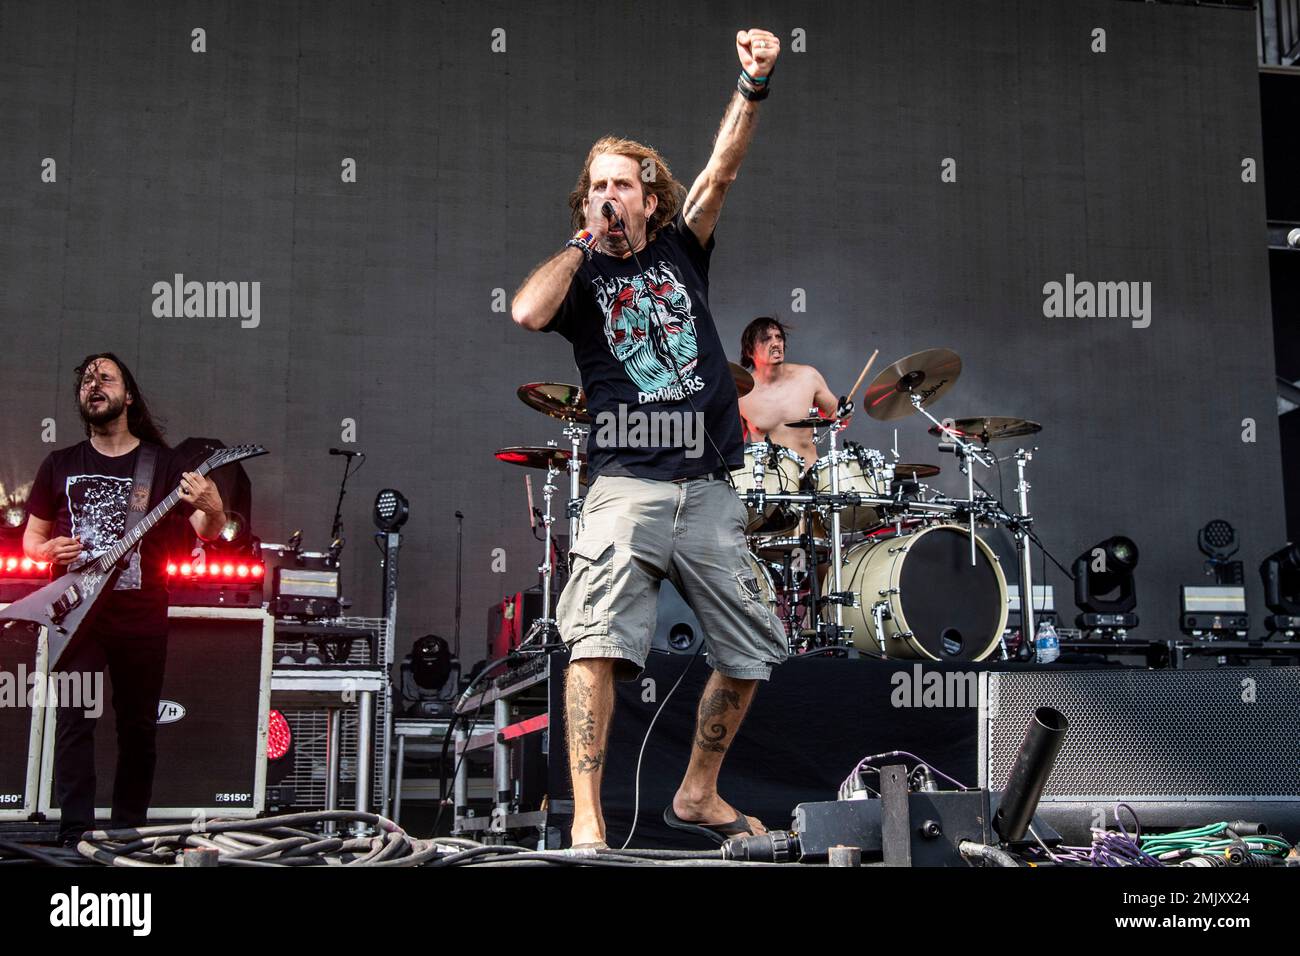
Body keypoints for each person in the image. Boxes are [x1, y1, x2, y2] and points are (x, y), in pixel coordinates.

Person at [511, 29, 785, 848]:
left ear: (649, 197)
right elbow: (525, 311)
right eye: (596, 185)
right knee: (594, 641)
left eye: (621, 185)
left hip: (705, 485)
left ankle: (698, 793)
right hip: (625, 483)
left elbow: (722, 166)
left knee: (752, 650)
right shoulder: (581, 273)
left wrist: (752, 79)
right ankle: (589, 826)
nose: (607, 194)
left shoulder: (680, 246)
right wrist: (580, 241)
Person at [23, 353, 228, 846]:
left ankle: (127, 832)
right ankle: (75, 833)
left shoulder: (163, 464)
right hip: (76, 613)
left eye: (105, 377)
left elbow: (209, 530)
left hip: (140, 614)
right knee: (74, 722)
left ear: (128, 395)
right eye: (86, 380)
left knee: (138, 727)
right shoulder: (61, 463)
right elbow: (33, 540)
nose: (93, 385)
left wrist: (214, 508)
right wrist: (45, 550)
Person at [738, 316, 845, 470]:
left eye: (779, 337)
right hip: (770, 484)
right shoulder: (743, 393)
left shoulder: (808, 376)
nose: (775, 343)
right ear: (749, 351)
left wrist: (845, 413)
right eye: (766, 339)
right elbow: (734, 445)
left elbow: (837, 417)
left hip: (810, 479)